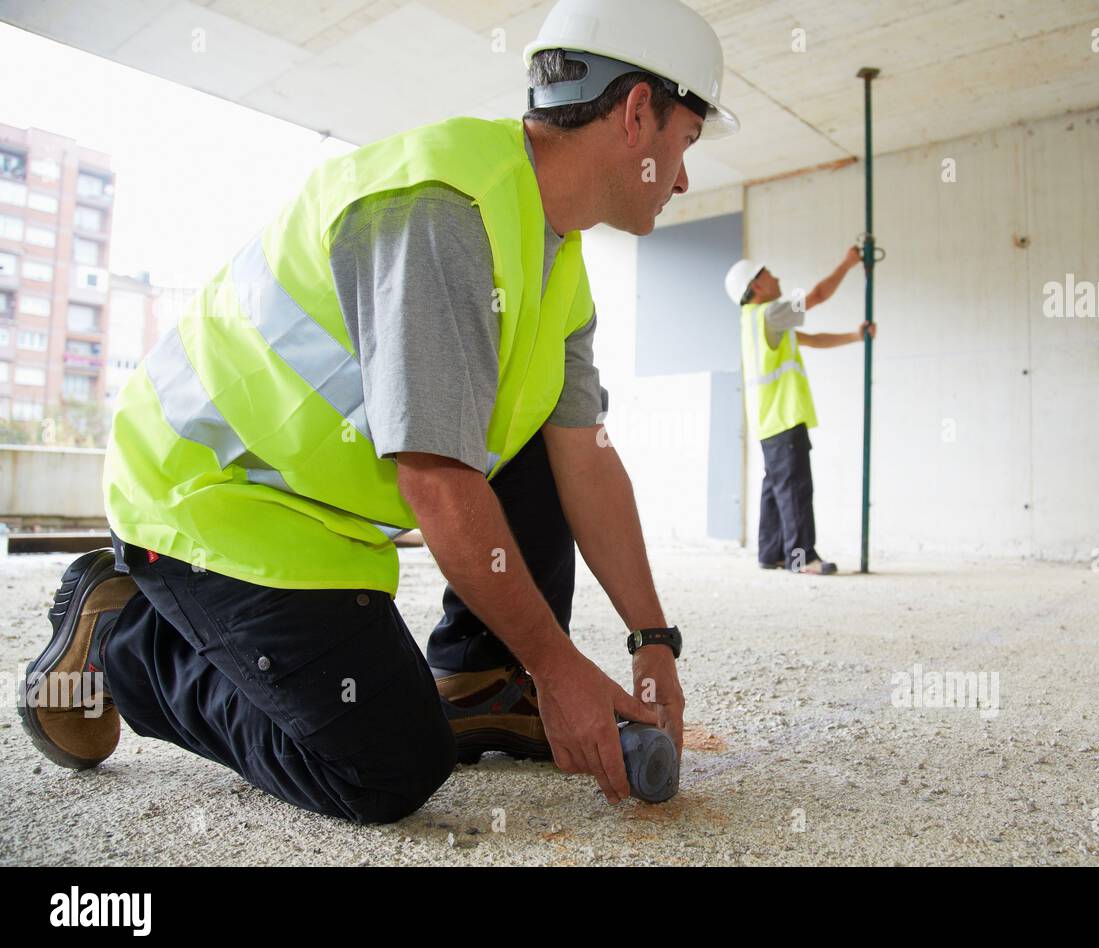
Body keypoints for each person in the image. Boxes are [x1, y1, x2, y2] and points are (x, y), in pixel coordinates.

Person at [19, 0, 739, 823]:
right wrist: (556, 664)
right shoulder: (441, 209)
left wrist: (653, 639)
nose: (683, 176)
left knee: (543, 435)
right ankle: (124, 643)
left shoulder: (558, 258)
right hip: (210, 507)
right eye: (686, 141)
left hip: (319, 520)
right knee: (388, 765)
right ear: (639, 111)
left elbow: (586, 456)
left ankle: (476, 670)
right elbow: (436, 480)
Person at [724, 250, 873, 574]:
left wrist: (854, 336)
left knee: (776, 485)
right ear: (757, 286)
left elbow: (811, 339)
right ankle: (801, 558)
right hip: (783, 416)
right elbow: (817, 296)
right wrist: (847, 263)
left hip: (768, 420)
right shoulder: (769, 315)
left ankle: (771, 552)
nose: (777, 278)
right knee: (794, 487)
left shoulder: (756, 322)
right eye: (769, 274)